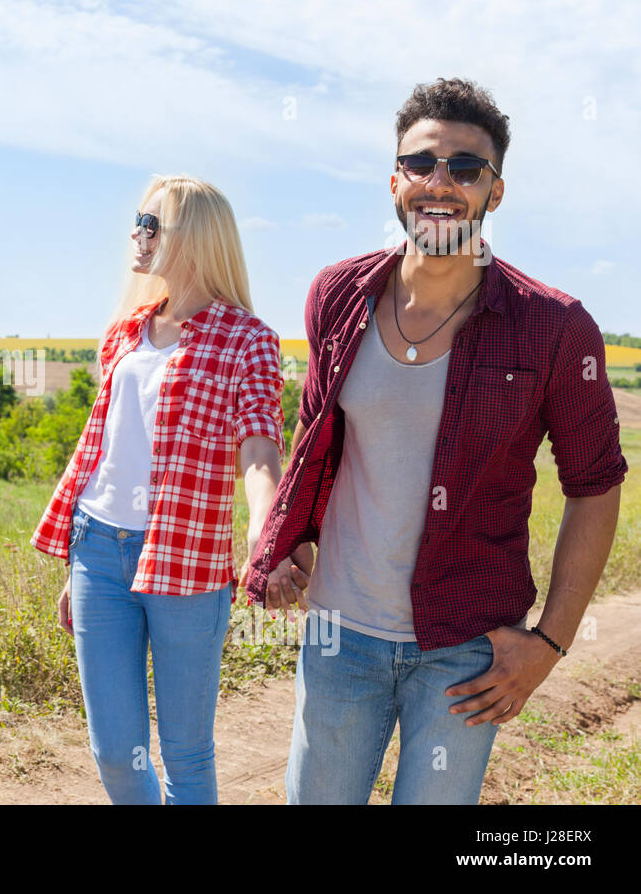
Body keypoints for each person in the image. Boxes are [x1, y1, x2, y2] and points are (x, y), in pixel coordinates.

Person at [246, 78, 627, 804]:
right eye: (421, 163)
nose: (439, 182)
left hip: (467, 646)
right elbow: (315, 434)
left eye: (465, 167)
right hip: (340, 634)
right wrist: (295, 535)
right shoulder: (338, 294)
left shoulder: (553, 327)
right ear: (395, 180)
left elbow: (596, 484)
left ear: (496, 192)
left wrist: (548, 644)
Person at [31, 175, 286, 804]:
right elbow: (106, 451)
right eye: (136, 223)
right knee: (116, 751)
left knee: (186, 754)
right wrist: (76, 566)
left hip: (187, 555)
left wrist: (264, 524)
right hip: (96, 549)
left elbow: (258, 444)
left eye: (153, 225)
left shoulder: (246, 337)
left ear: (195, 238)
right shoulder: (124, 333)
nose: (137, 237)